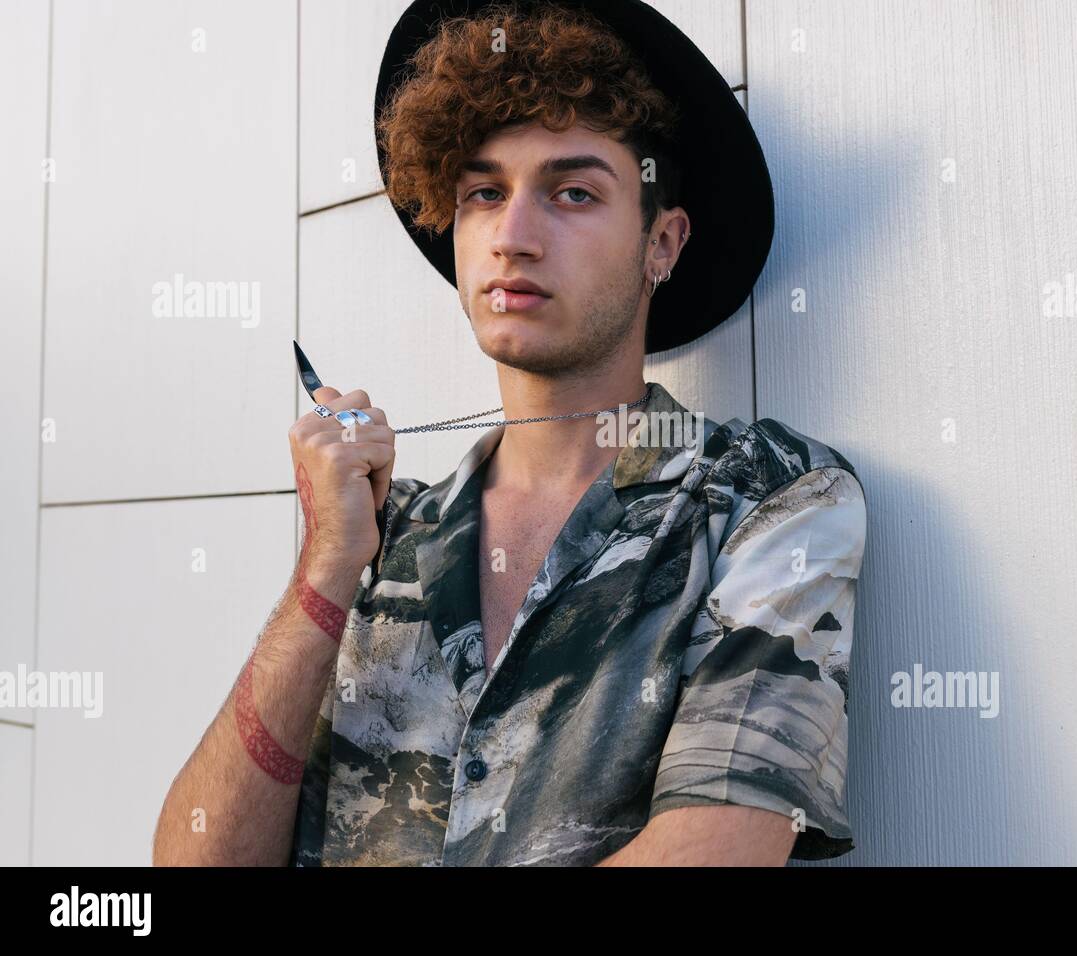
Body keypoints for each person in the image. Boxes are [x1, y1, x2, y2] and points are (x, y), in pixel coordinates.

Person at [153, 0, 868, 867]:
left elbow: (718, 843)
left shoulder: (766, 498)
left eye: (573, 193)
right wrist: (327, 566)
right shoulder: (388, 537)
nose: (514, 238)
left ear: (663, 244)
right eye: (484, 193)